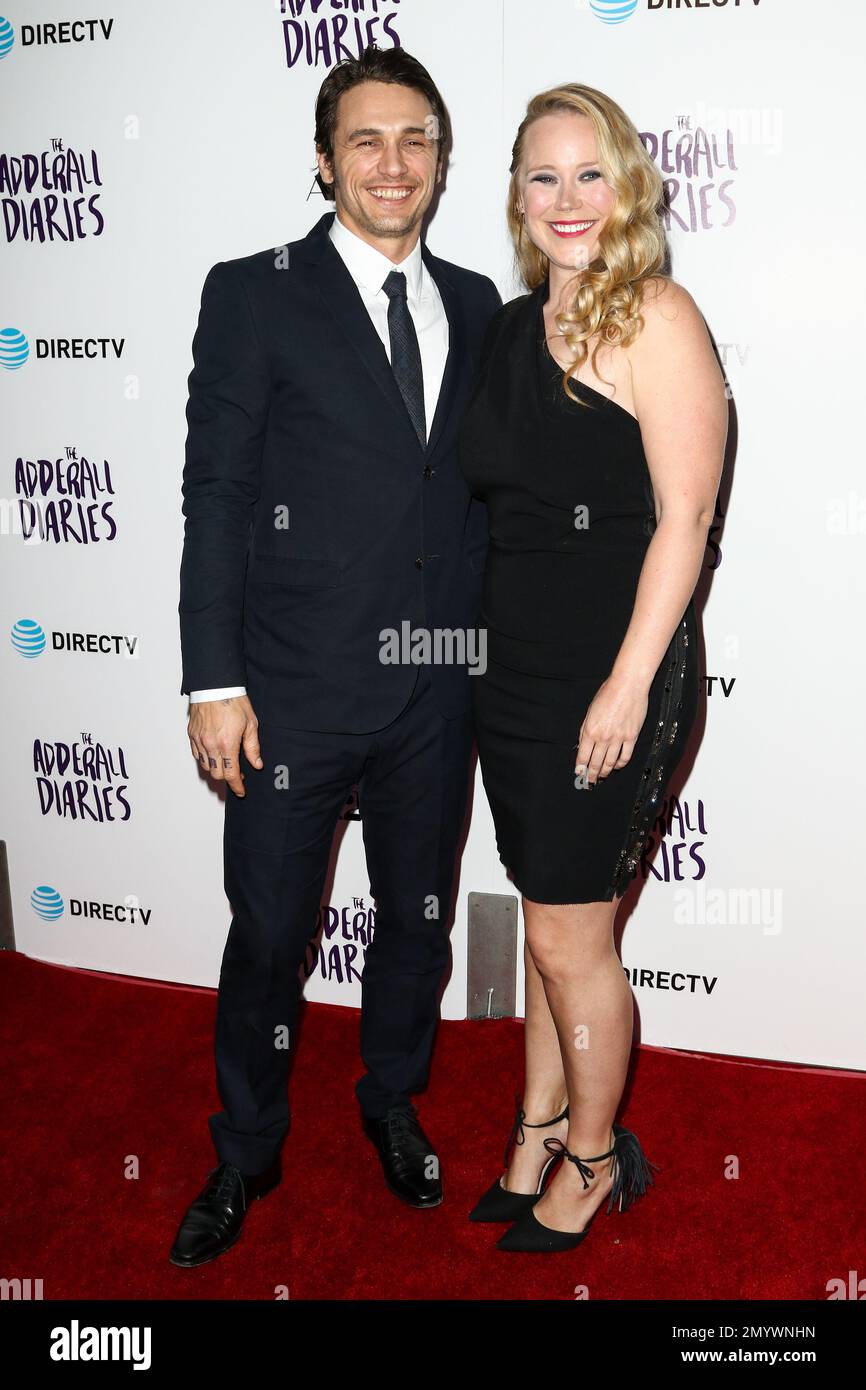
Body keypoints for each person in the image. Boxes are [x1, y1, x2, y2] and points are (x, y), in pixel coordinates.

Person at [170, 44, 501, 1268]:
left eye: (414, 138)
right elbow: (217, 494)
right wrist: (214, 679)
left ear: (441, 159)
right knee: (268, 933)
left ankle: (390, 1098)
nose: (392, 162)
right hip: (292, 688)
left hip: (435, 684)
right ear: (323, 160)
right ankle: (246, 1148)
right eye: (366, 140)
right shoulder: (252, 293)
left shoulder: (475, 304)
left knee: (413, 922)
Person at [458, 83, 727, 1252]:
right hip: (511, 671)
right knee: (545, 921)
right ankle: (532, 1122)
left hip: (613, 673)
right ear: (515, 196)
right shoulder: (513, 329)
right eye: (540, 176)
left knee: (573, 936)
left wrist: (623, 687)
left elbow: (683, 524)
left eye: (588, 174)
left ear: (624, 187)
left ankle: (595, 1153)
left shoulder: (655, 316)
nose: (565, 200)